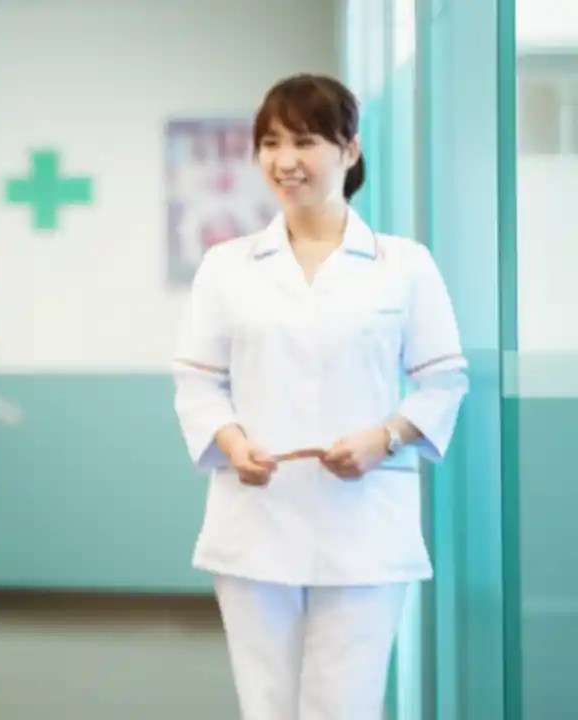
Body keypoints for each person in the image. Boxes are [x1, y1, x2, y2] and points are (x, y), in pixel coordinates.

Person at [172, 74, 468, 720]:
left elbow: (444, 380)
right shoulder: (228, 267)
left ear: (351, 150)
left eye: (305, 141)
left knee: (347, 707)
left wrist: (384, 436)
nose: (284, 161)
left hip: (363, 526)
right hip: (256, 523)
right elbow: (197, 381)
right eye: (270, 142)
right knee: (267, 706)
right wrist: (232, 443)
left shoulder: (404, 264)